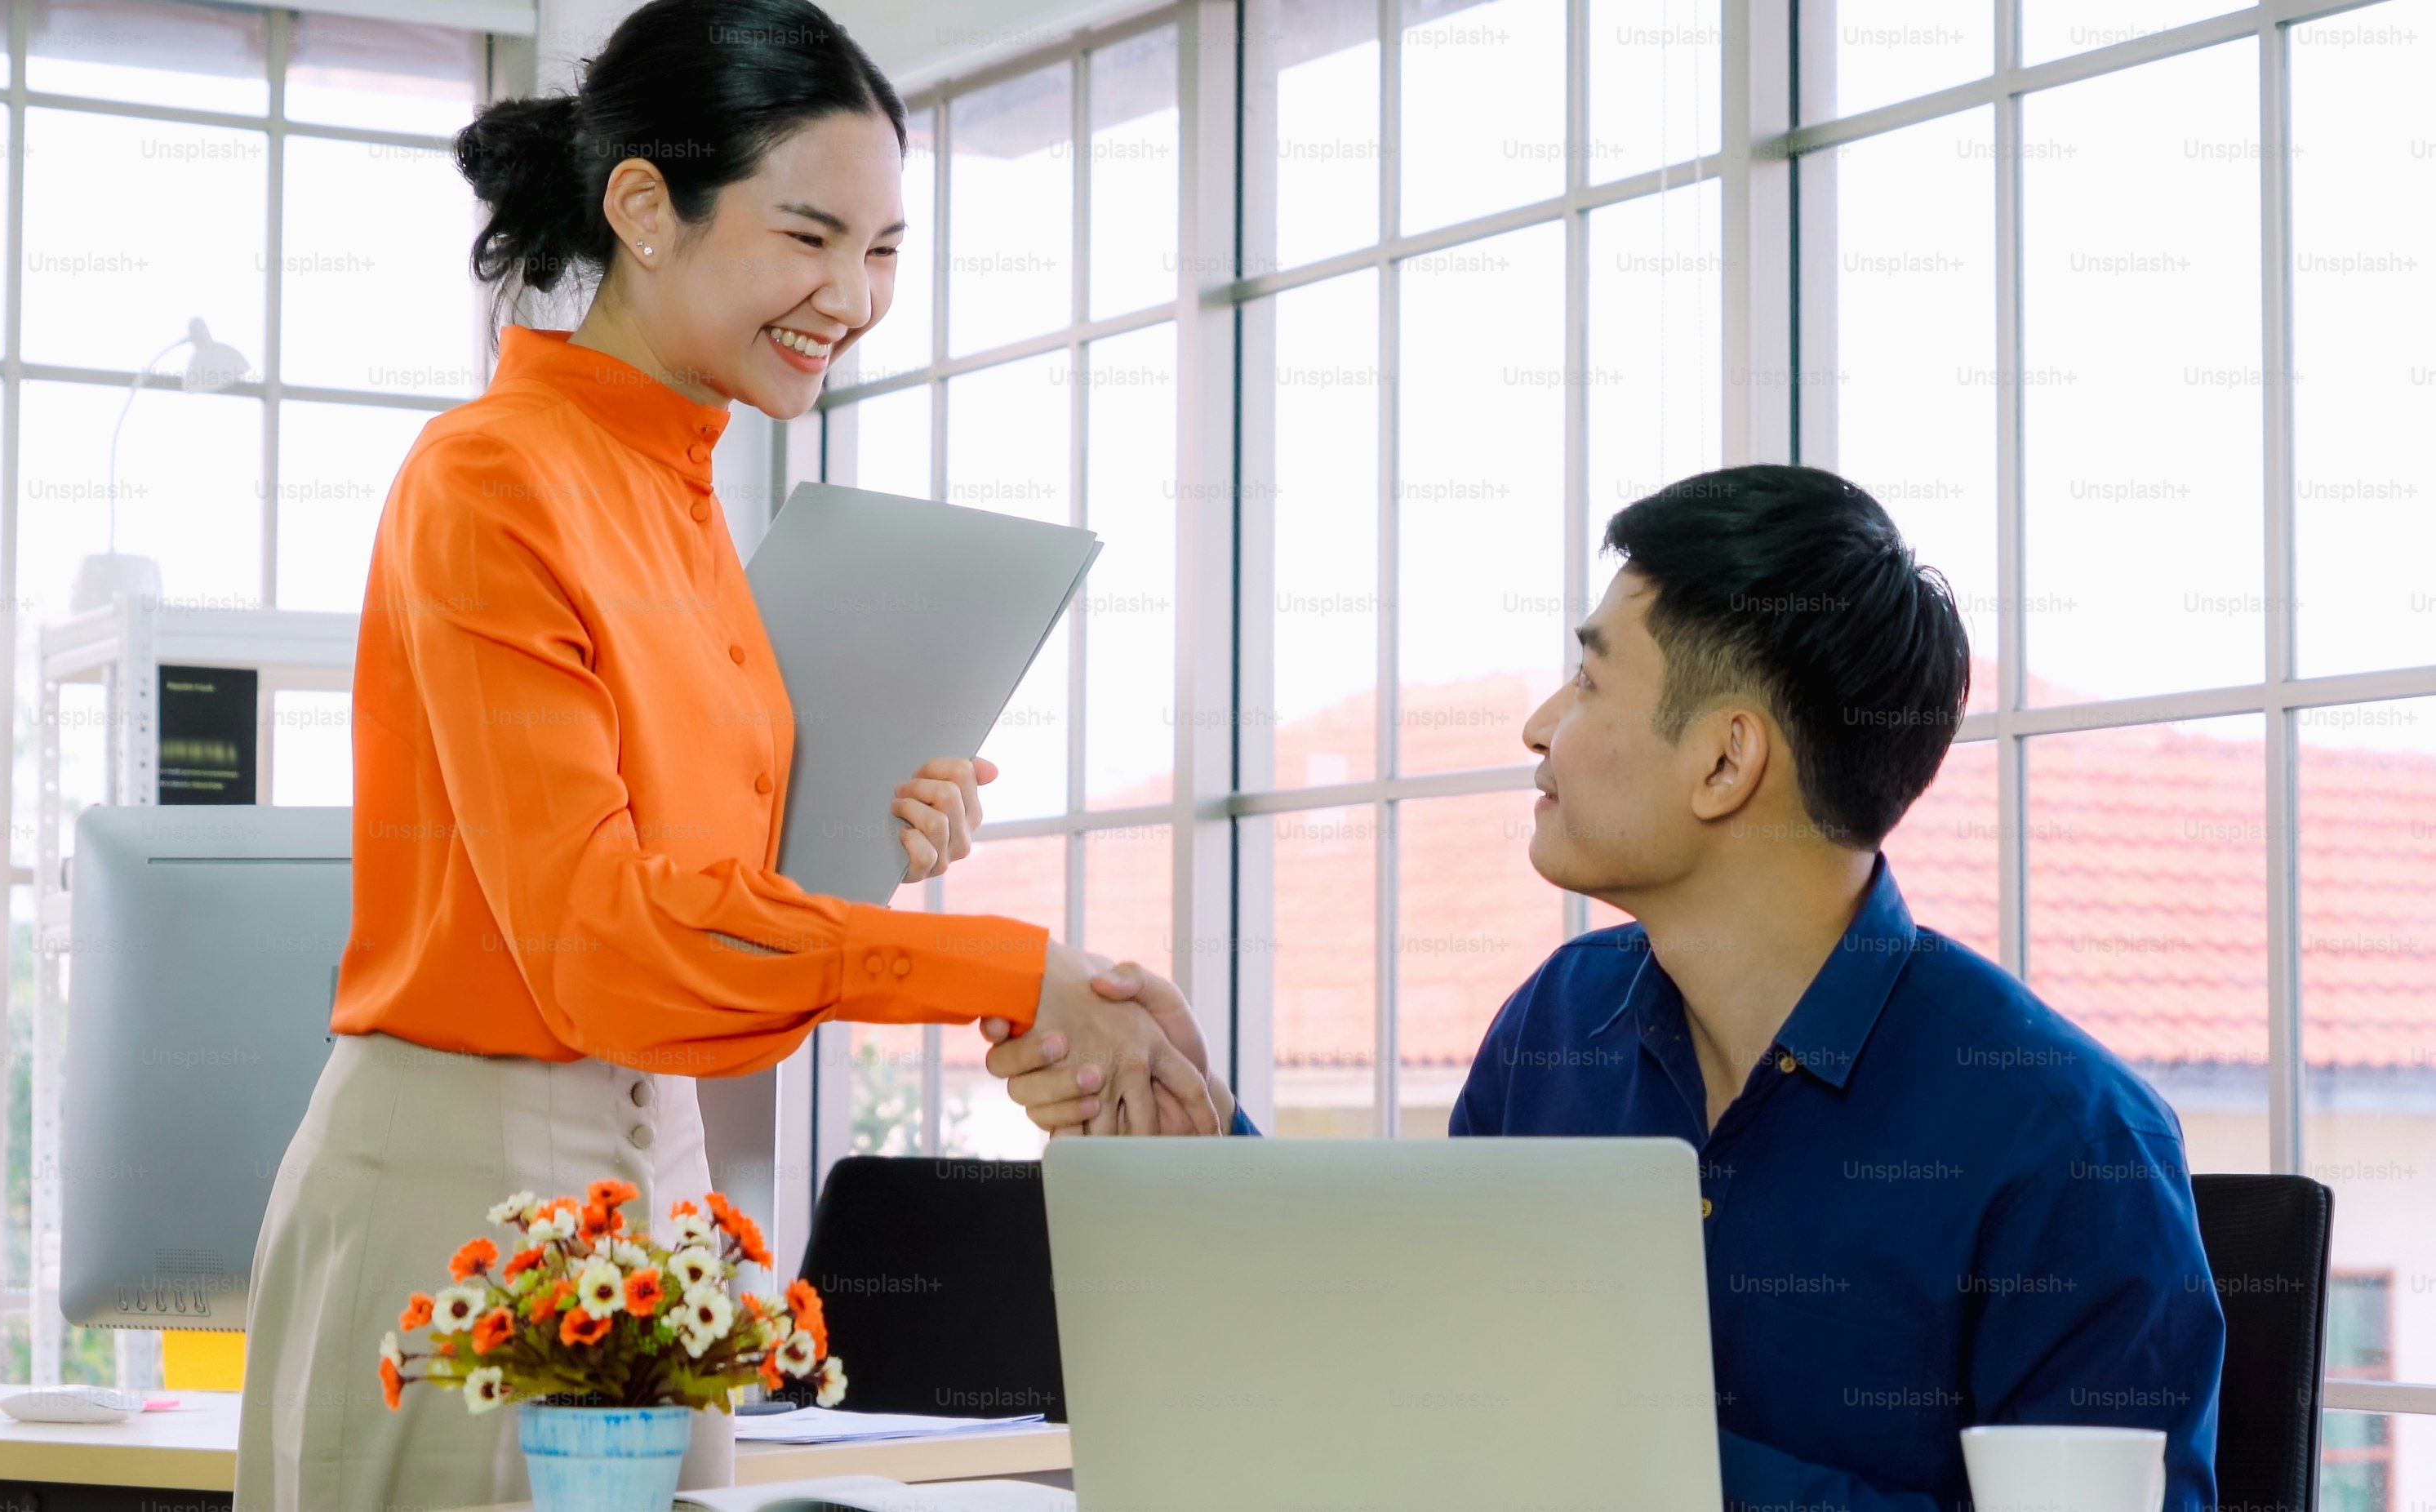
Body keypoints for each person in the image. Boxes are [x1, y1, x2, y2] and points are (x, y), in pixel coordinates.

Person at [234, 5, 1210, 1508]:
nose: (853, 296)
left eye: (883, 249)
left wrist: (848, 834)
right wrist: (1009, 973)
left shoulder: (692, 496)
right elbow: (606, 946)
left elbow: (696, 897)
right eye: (808, 234)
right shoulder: (488, 480)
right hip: (457, 1190)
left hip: (661, 1196)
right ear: (643, 208)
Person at [993, 465, 2225, 1510]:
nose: (1537, 724)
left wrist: (1613, 1453)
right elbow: (1422, 1362)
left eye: (1587, 680)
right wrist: (1204, 1151)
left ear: (1724, 759)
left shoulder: (2064, 1144)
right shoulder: (1556, 1030)